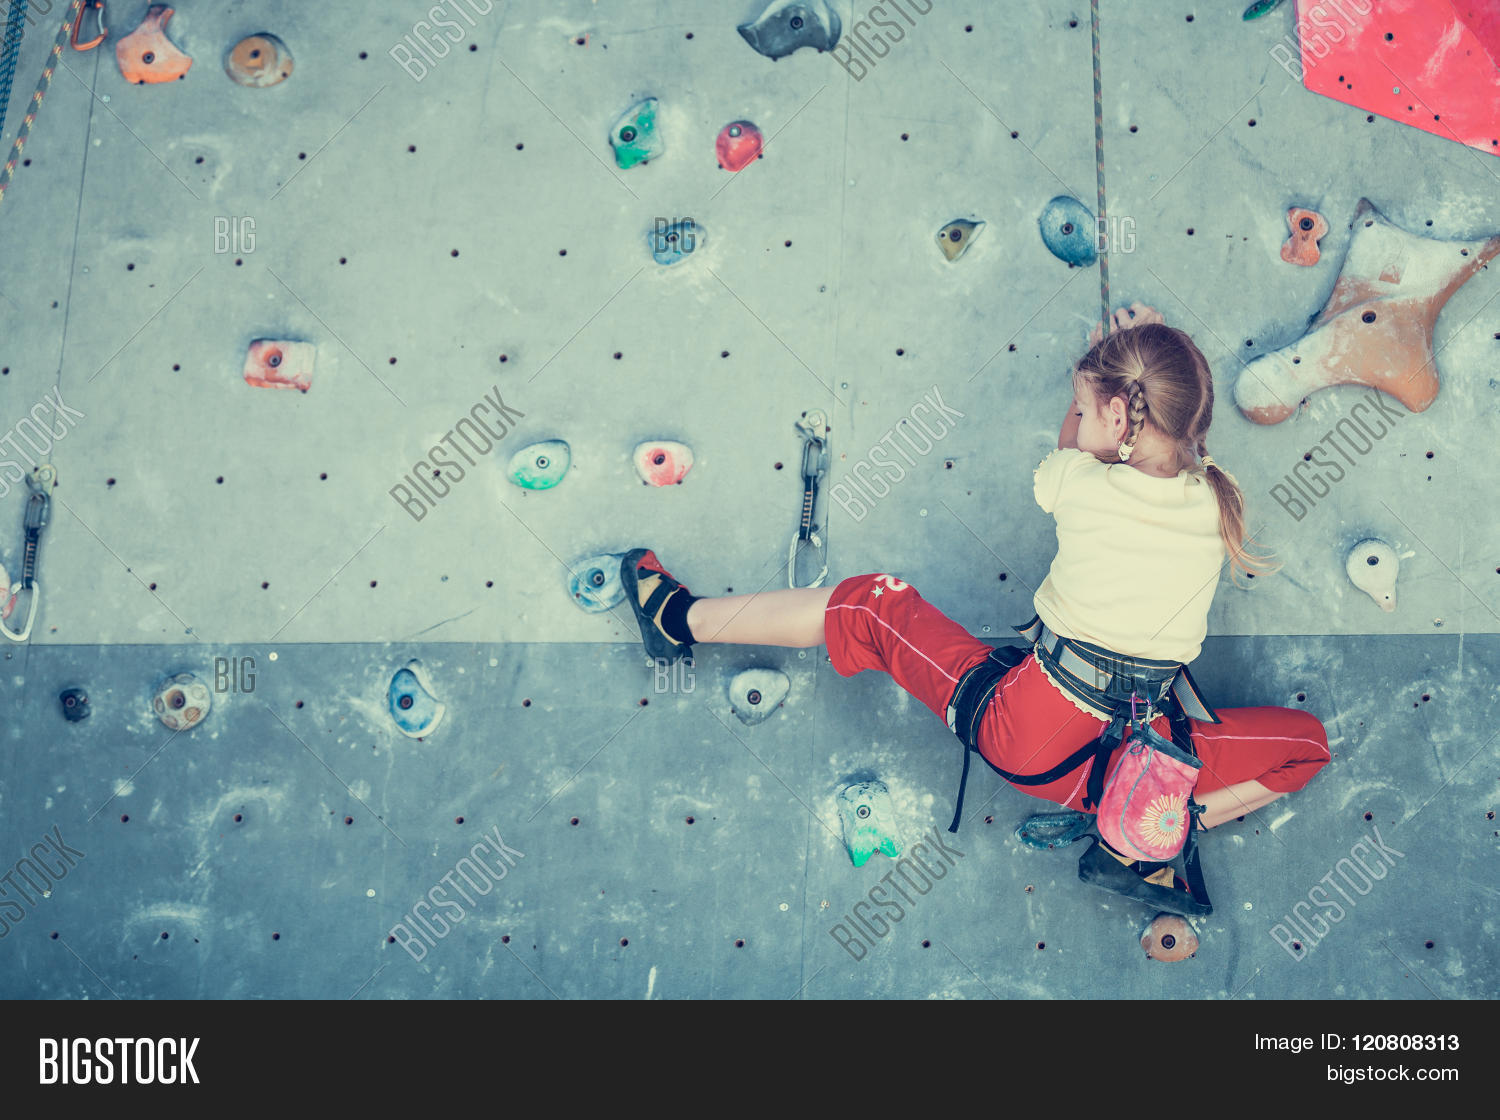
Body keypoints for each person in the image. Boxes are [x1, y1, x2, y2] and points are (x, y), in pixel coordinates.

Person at [620, 303, 1330, 912]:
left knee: (870, 606)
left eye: (1086, 407)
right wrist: (1147, 365)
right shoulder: (1214, 495)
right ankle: (1144, 832)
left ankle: (673, 619)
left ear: (1118, 417)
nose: (1077, 418)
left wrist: (1118, 373)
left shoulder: (1082, 483)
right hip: (1137, 760)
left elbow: (1074, 453)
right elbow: (1165, 431)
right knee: (1308, 748)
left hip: (1028, 736)